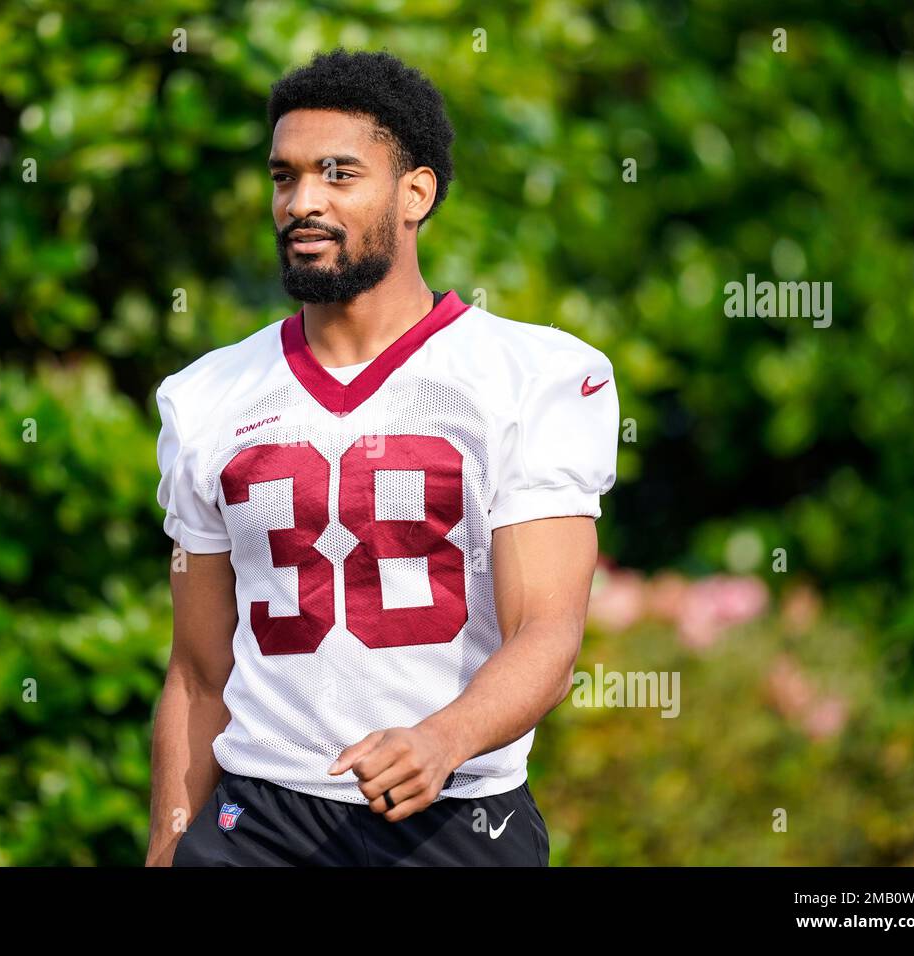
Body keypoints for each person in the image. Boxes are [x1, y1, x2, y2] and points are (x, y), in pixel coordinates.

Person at [146, 48, 618, 866]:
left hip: (454, 816)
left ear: (416, 193)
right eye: (284, 176)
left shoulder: (533, 377)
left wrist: (443, 740)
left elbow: (546, 633)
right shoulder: (207, 396)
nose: (303, 202)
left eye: (338, 173)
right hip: (258, 822)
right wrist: (168, 841)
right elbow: (196, 672)